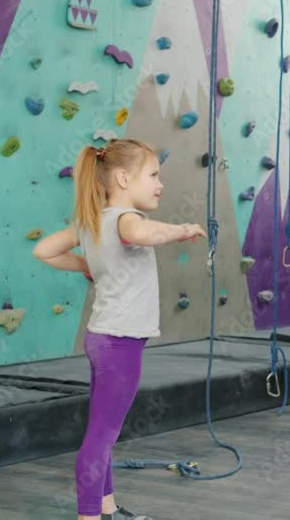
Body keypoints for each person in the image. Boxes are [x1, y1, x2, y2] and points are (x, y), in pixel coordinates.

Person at [33, 139, 206, 520]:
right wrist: (180, 230)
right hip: (120, 344)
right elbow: (141, 235)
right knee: (101, 437)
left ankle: (106, 508)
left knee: (102, 429)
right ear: (125, 178)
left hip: (100, 338)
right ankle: (89, 515)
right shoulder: (128, 219)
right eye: (154, 174)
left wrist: (88, 264)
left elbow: (42, 250)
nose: (160, 183)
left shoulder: (93, 220)